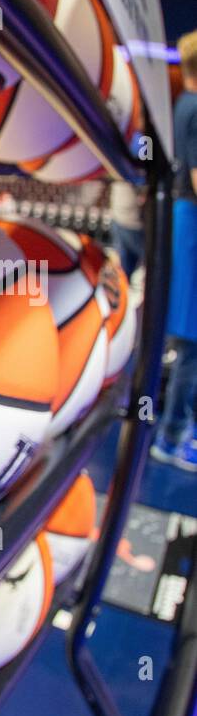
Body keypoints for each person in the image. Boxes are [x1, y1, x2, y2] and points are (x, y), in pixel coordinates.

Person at [152, 30, 197, 470]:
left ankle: (176, 430)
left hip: (186, 221)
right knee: (192, 344)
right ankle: (172, 436)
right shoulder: (196, 108)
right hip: (192, 222)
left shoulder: (181, 104)